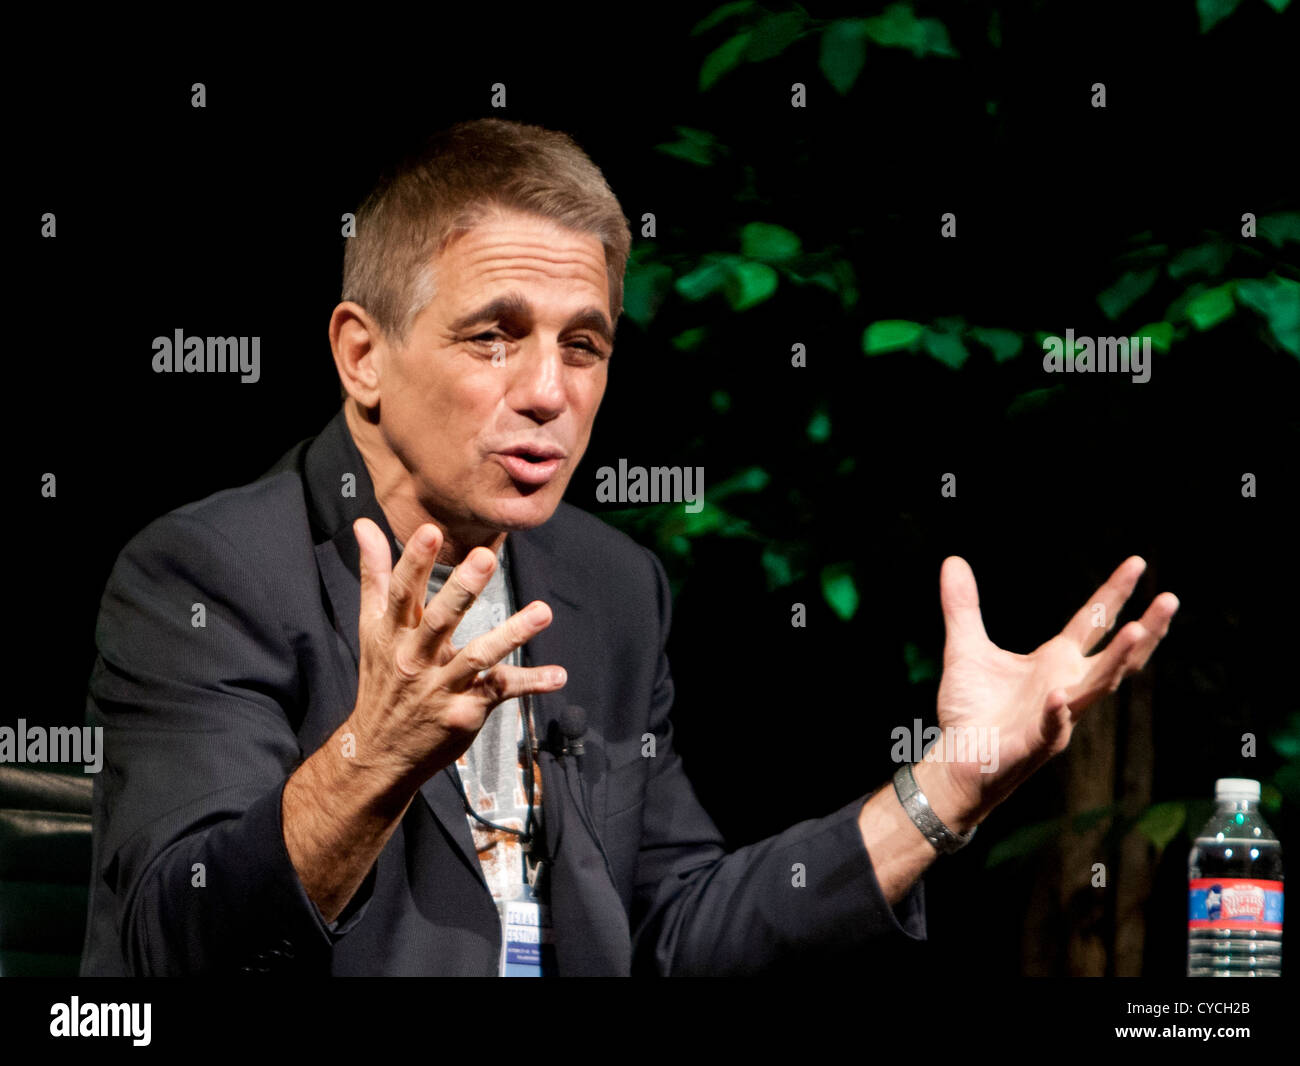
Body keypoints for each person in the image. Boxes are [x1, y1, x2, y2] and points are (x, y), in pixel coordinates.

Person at [80, 118, 1179, 976]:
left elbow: (673, 933)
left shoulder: (606, 588)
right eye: (494, 336)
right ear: (362, 355)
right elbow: (172, 947)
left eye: (584, 344)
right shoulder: (210, 575)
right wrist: (372, 759)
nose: (548, 392)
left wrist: (948, 788)